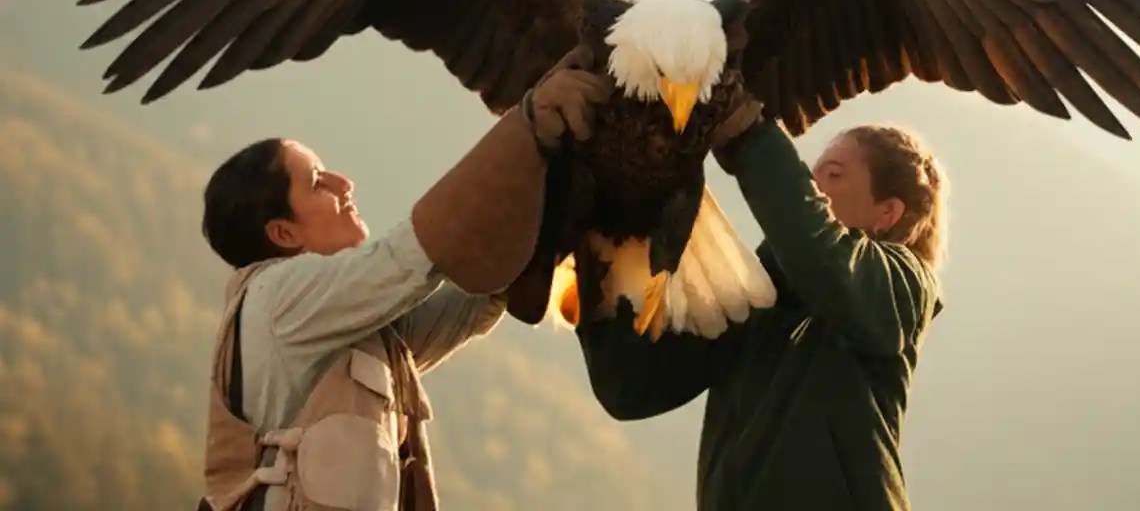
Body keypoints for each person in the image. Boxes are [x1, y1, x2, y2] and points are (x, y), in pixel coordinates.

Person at [195, 62, 612, 511]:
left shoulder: (344, 319)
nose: (344, 184)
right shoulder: (275, 296)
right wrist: (527, 125)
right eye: (318, 182)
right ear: (283, 235)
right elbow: (409, 258)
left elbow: (477, 297)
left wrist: (556, 196)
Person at [569, 100, 948, 510]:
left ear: (887, 213)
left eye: (833, 174)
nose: (812, 184)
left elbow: (819, 254)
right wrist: (607, 230)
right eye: (812, 170)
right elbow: (631, 388)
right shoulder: (756, 299)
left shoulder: (905, 285)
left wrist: (753, 137)